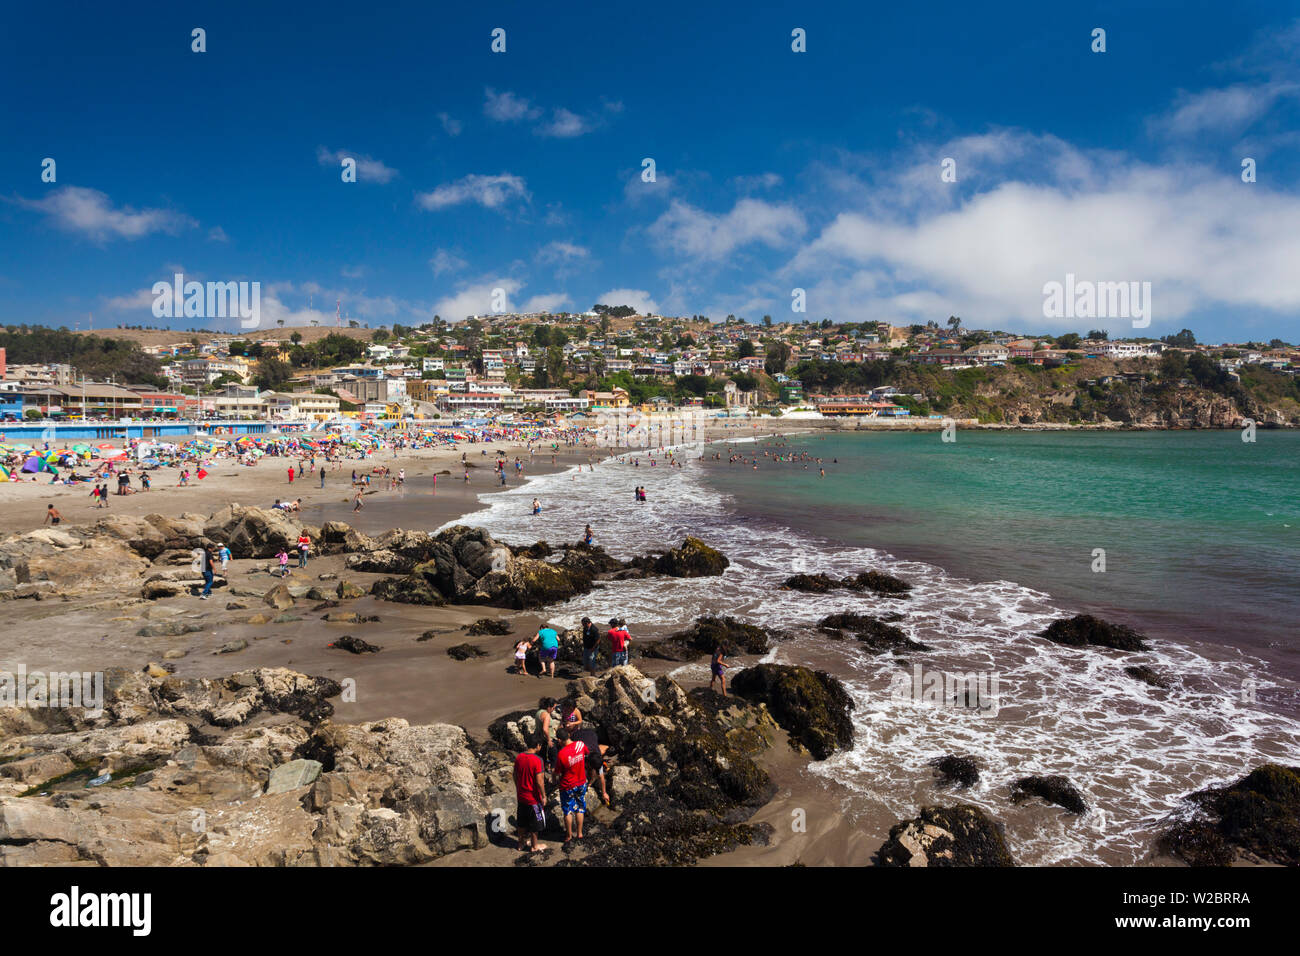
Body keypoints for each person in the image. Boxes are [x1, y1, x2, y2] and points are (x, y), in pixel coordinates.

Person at [513, 732, 549, 853]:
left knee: (521, 822)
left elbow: (515, 775)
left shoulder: (519, 757)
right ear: (538, 745)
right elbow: (540, 781)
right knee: (535, 824)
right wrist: (544, 796)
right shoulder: (538, 760)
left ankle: (520, 843)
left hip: (521, 796)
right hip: (533, 798)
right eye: (541, 745)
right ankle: (534, 846)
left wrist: (518, 787)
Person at [552, 729, 589, 844]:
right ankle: (579, 833)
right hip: (581, 782)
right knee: (580, 808)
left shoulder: (562, 754)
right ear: (568, 735)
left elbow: (557, 772)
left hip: (568, 785)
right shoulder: (580, 744)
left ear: (559, 740)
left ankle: (569, 835)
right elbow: (587, 754)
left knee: (567, 811)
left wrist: (554, 780)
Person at [573, 721, 611, 808]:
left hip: (592, 734)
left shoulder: (598, 758)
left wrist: (604, 793)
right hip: (576, 735)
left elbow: (601, 777)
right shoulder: (580, 754)